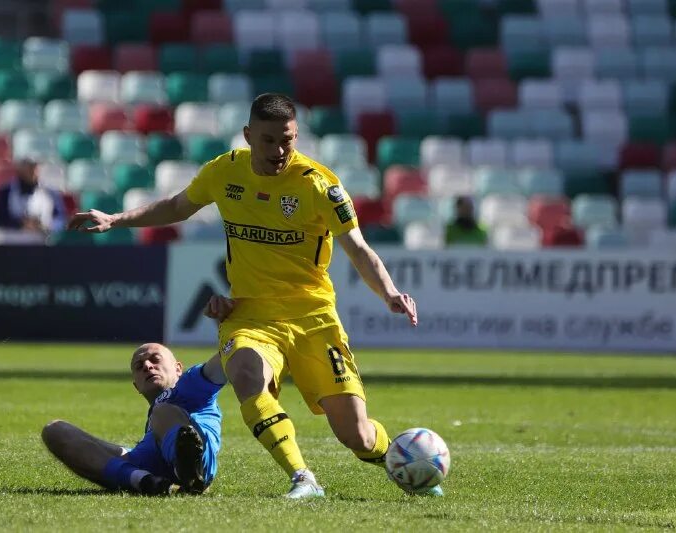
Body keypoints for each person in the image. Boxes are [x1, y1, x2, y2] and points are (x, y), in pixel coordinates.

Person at [68, 93, 430, 499]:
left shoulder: (320, 186)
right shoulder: (225, 171)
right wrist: (116, 219)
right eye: (269, 140)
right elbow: (177, 206)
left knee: (357, 434)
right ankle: (303, 478)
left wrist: (390, 292)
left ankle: (398, 459)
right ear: (248, 135)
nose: (278, 150)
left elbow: (359, 249)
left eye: (287, 140)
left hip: (313, 316)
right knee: (245, 374)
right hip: (251, 315)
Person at [41, 342, 226, 495]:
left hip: (200, 460)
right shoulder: (154, 418)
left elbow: (228, 358)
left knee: (162, 412)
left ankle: (191, 472)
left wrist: (240, 331)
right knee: (54, 430)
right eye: (139, 366)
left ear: (178, 368)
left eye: (155, 359)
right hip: (152, 464)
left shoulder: (191, 384)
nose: (147, 366)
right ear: (136, 386)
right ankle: (144, 481)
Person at [0, 158, 67, 234]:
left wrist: (46, 225)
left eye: (35, 167)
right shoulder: (5, 192)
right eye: (29, 167)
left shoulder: (51, 193)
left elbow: (61, 220)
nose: (33, 171)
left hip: (42, 242)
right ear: (20, 169)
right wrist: (20, 224)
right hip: (12, 242)